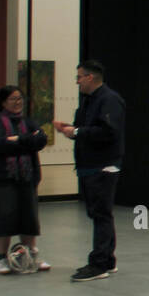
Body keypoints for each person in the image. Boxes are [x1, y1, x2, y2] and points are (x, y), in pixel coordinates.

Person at [53, 60, 125, 282]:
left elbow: (107, 132)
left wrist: (76, 132)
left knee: (101, 214)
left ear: (90, 77)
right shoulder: (90, 101)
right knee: (100, 214)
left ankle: (99, 263)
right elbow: (86, 128)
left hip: (102, 166)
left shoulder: (109, 100)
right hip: (90, 165)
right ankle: (107, 259)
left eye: (79, 77)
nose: (77, 82)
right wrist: (71, 129)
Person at [0, 85, 52, 273]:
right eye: (13, 99)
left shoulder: (29, 122)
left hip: (27, 177)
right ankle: (2, 259)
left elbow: (40, 140)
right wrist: (26, 141)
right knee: (3, 217)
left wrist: (17, 140)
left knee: (29, 218)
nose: (17, 102)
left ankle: (31, 255)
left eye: (20, 99)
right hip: (2, 178)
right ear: (4, 102)